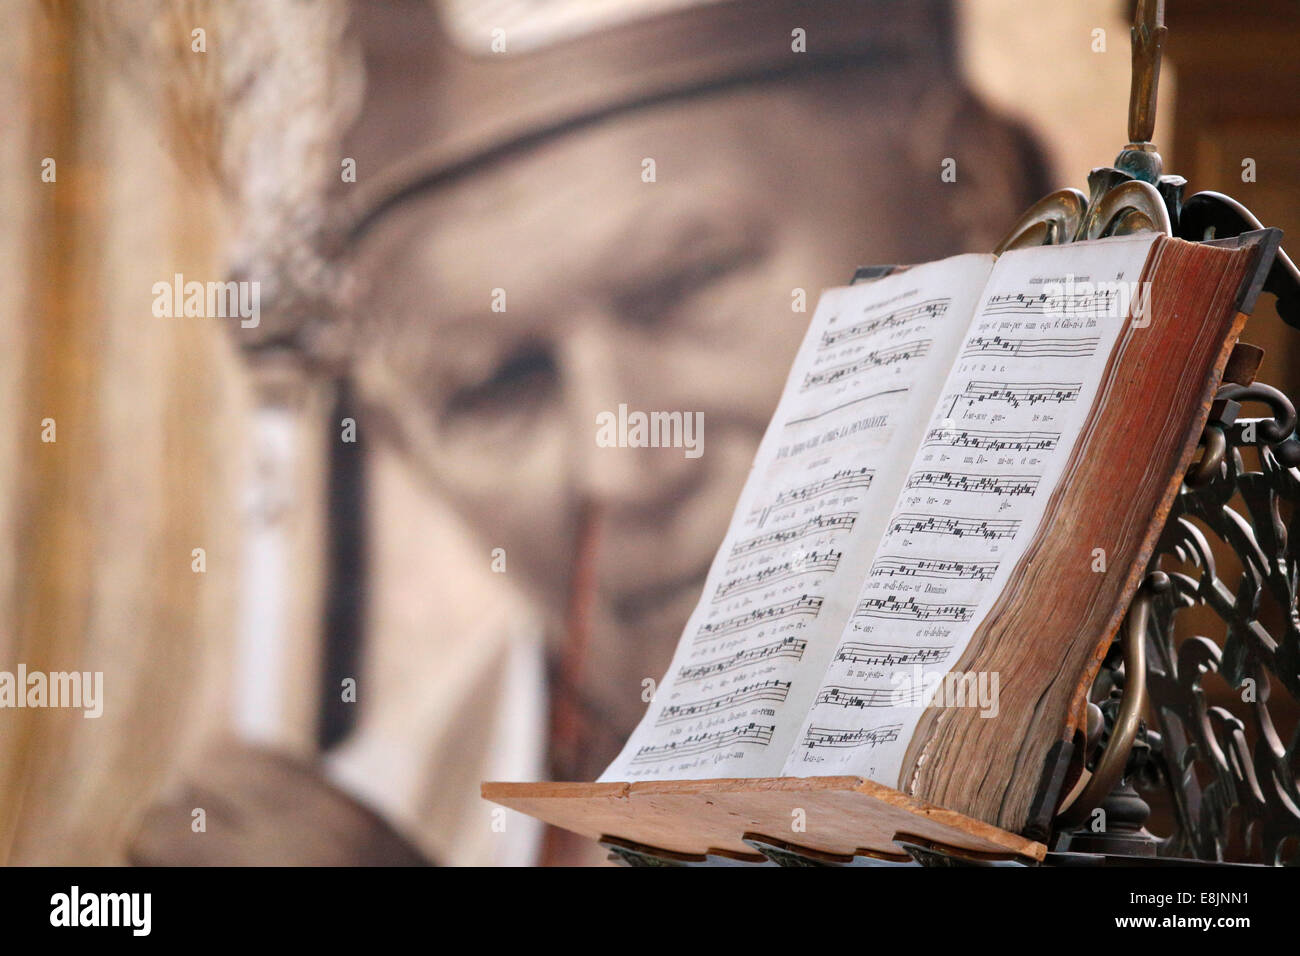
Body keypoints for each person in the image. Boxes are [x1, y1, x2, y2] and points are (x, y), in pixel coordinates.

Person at [135, 0, 1050, 866]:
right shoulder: (388, 808)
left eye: (683, 287)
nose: (623, 468)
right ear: (400, 441)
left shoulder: (1184, 719)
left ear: (968, 191)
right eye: (497, 385)